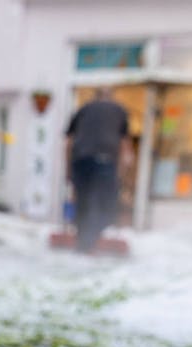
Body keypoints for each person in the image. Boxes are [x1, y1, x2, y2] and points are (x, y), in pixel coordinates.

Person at [64, 88, 132, 254]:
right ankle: (88, 244)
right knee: (104, 205)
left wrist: (68, 170)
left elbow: (69, 142)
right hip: (104, 161)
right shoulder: (119, 111)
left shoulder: (82, 110)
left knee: (83, 203)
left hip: (80, 161)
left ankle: (83, 245)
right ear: (110, 97)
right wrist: (122, 172)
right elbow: (125, 145)